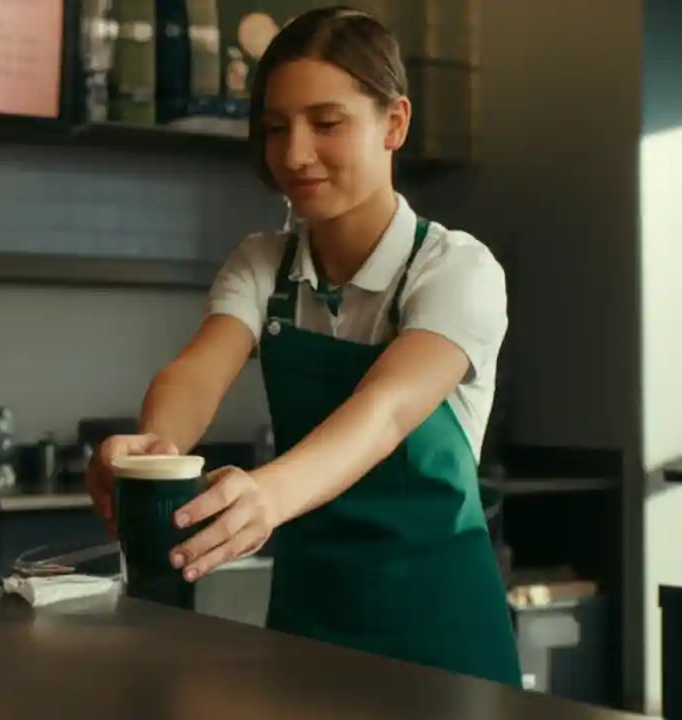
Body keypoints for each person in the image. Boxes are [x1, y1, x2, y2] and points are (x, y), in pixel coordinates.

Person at [84, 6, 521, 687]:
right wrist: (155, 453)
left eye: (327, 123)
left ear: (394, 123)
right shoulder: (263, 265)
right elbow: (198, 370)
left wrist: (267, 497)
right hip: (306, 627)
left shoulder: (455, 270)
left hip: (442, 639)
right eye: (275, 128)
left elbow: (385, 411)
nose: (293, 154)